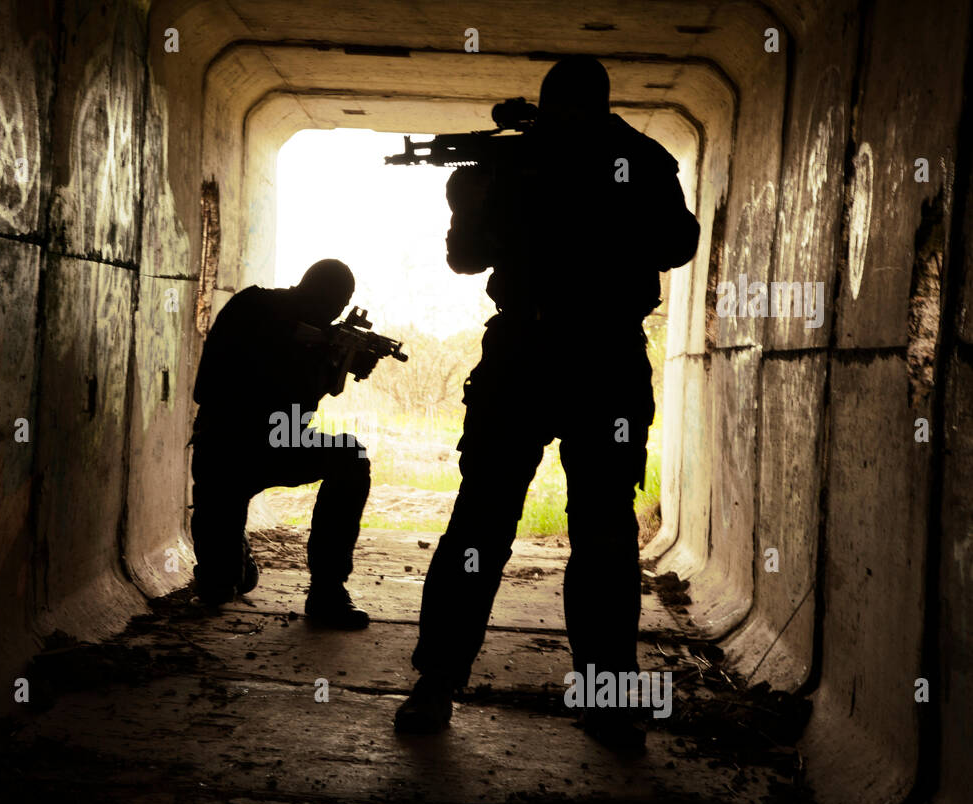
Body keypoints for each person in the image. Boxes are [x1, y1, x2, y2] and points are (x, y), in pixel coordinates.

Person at [394, 56, 701, 748]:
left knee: (579, 532)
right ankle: (449, 681)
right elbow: (469, 256)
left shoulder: (630, 159)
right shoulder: (571, 159)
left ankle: (458, 683)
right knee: (515, 524)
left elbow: (676, 241)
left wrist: (584, 199)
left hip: (564, 355)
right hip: (565, 357)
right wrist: (470, 201)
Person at [189, 259, 378, 629]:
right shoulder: (254, 307)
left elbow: (299, 406)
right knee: (218, 587)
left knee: (351, 458)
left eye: (343, 303)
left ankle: (328, 589)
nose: (337, 310)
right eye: (333, 300)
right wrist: (303, 353)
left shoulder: (319, 339)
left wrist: (335, 365)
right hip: (224, 446)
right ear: (307, 288)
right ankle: (232, 555)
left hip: (280, 439)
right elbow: (207, 386)